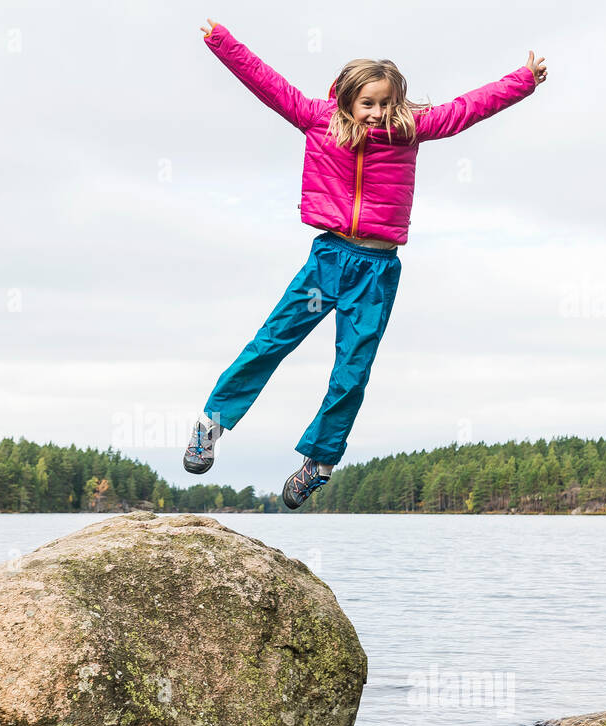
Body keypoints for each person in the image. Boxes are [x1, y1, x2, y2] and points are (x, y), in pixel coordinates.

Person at [183, 18, 547, 509]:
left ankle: (319, 461)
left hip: (376, 271)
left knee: (352, 370)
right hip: (329, 259)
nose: (377, 113)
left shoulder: (412, 130)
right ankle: (212, 423)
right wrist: (222, 42)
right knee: (272, 342)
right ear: (347, 101)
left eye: (385, 103)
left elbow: (468, 109)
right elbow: (265, 83)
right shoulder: (315, 119)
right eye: (367, 103)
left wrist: (521, 80)